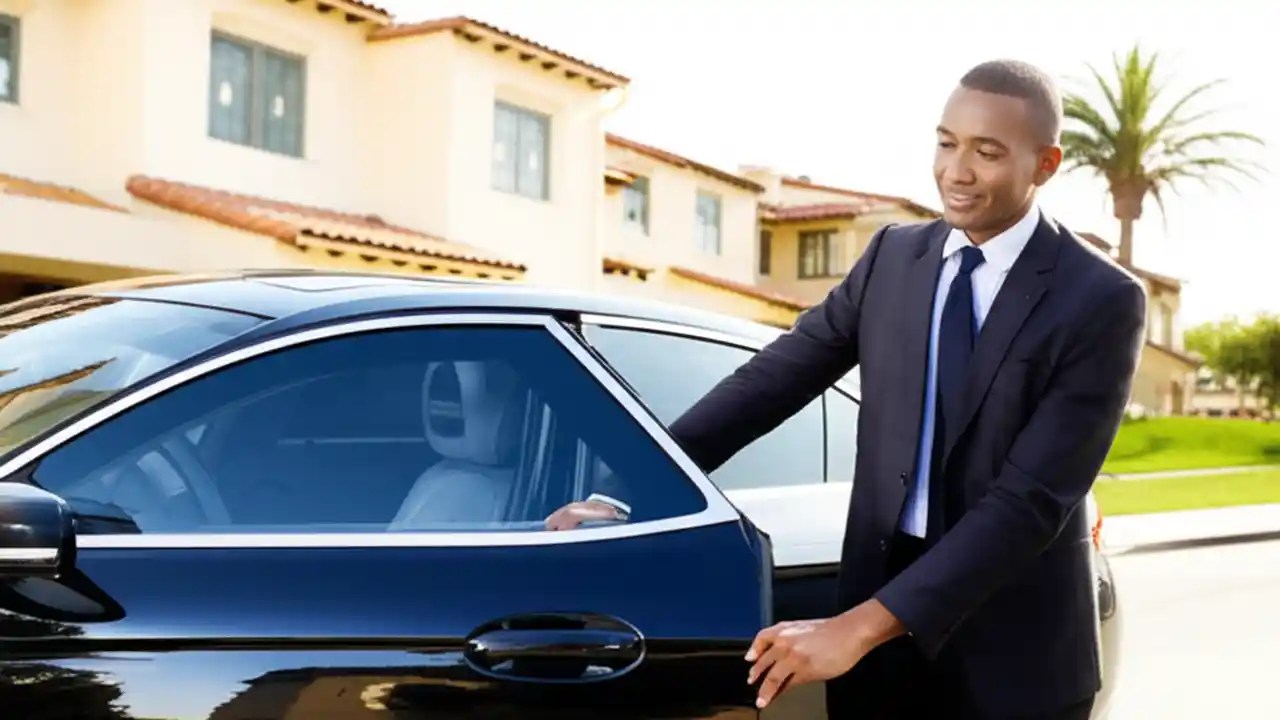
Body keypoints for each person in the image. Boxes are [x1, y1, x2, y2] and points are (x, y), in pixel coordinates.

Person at [549, 58, 1145, 719]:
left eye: (987, 152)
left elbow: (1029, 503)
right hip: (880, 653)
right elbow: (773, 379)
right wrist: (635, 486)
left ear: (1045, 163)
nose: (957, 171)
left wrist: (851, 630)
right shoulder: (893, 258)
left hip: (1017, 660)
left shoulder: (1101, 300)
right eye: (946, 143)